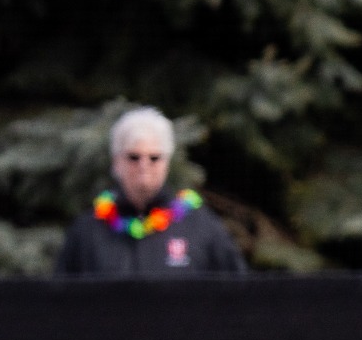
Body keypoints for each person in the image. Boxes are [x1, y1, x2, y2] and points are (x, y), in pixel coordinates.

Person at [54, 106, 247, 276]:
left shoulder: (202, 227)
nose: (144, 165)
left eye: (154, 158)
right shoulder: (88, 231)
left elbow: (236, 295)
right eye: (133, 157)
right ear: (116, 161)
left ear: (167, 163)